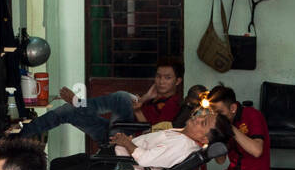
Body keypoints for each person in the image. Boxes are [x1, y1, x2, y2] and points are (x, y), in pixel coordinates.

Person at [40, 106, 216, 170]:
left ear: (205, 139)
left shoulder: (183, 145)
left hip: (118, 169)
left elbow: (146, 159)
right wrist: (129, 142)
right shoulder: (181, 133)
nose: (198, 118)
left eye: (203, 123)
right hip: (115, 159)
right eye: (201, 116)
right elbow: (152, 149)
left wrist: (126, 143)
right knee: (58, 164)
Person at [20, 58, 185, 144]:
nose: (161, 81)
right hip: (114, 131)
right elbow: (140, 109)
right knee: (66, 110)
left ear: (178, 81)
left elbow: (153, 132)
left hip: (131, 140)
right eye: (158, 76)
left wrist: (137, 109)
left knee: (123, 96)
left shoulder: (173, 104)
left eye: (167, 78)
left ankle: (80, 102)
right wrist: (146, 98)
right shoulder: (156, 96)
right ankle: (18, 136)